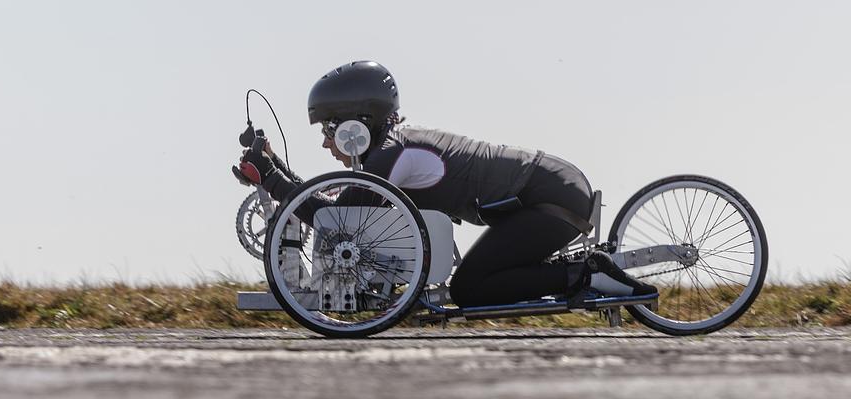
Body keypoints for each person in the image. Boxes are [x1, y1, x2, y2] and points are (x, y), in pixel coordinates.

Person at [236, 60, 655, 307]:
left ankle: (586, 276)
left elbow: (334, 215)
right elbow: (335, 203)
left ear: (354, 126)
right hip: (548, 190)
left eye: (329, 131)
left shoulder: (391, 155)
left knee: (470, 287)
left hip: (549, 197)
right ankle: (578, 275)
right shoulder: (391, 148)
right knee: (473, 282)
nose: (326, 144)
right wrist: (272, 168)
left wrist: (271, 178)